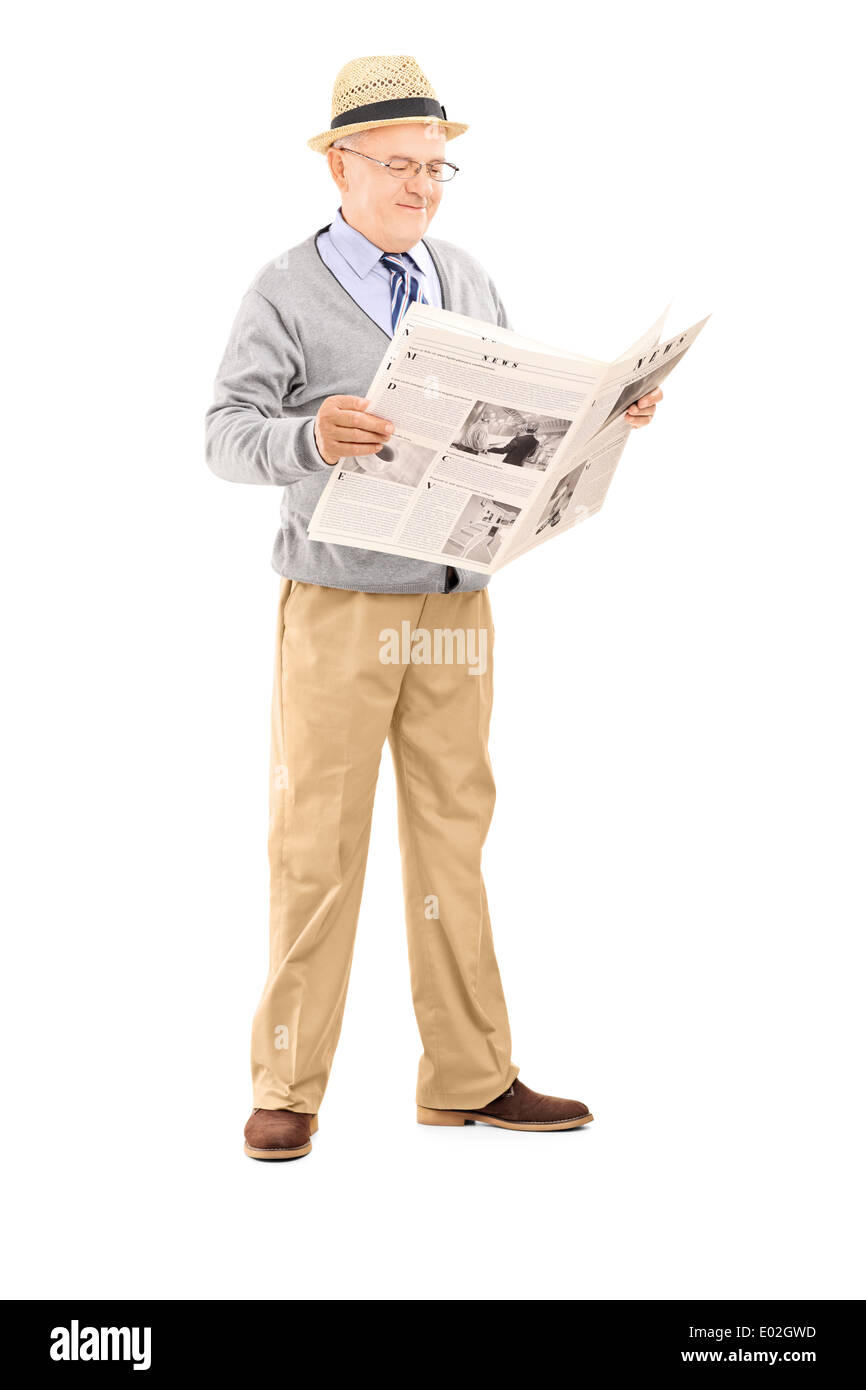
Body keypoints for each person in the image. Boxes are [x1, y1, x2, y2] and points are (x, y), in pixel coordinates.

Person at [205, 54, 662, 1162]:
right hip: (337, 607)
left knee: (454, 843)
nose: (421, 188)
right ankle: (286, 1085)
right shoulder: (283, 290)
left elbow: (515, 431)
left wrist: (605, 420)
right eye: (400, 166)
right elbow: (223, 436)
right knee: (317, 844)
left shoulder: (463, 276)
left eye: (436, 167)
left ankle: (467, 1075)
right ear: (340, 165)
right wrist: (309, 436)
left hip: (456, 610)